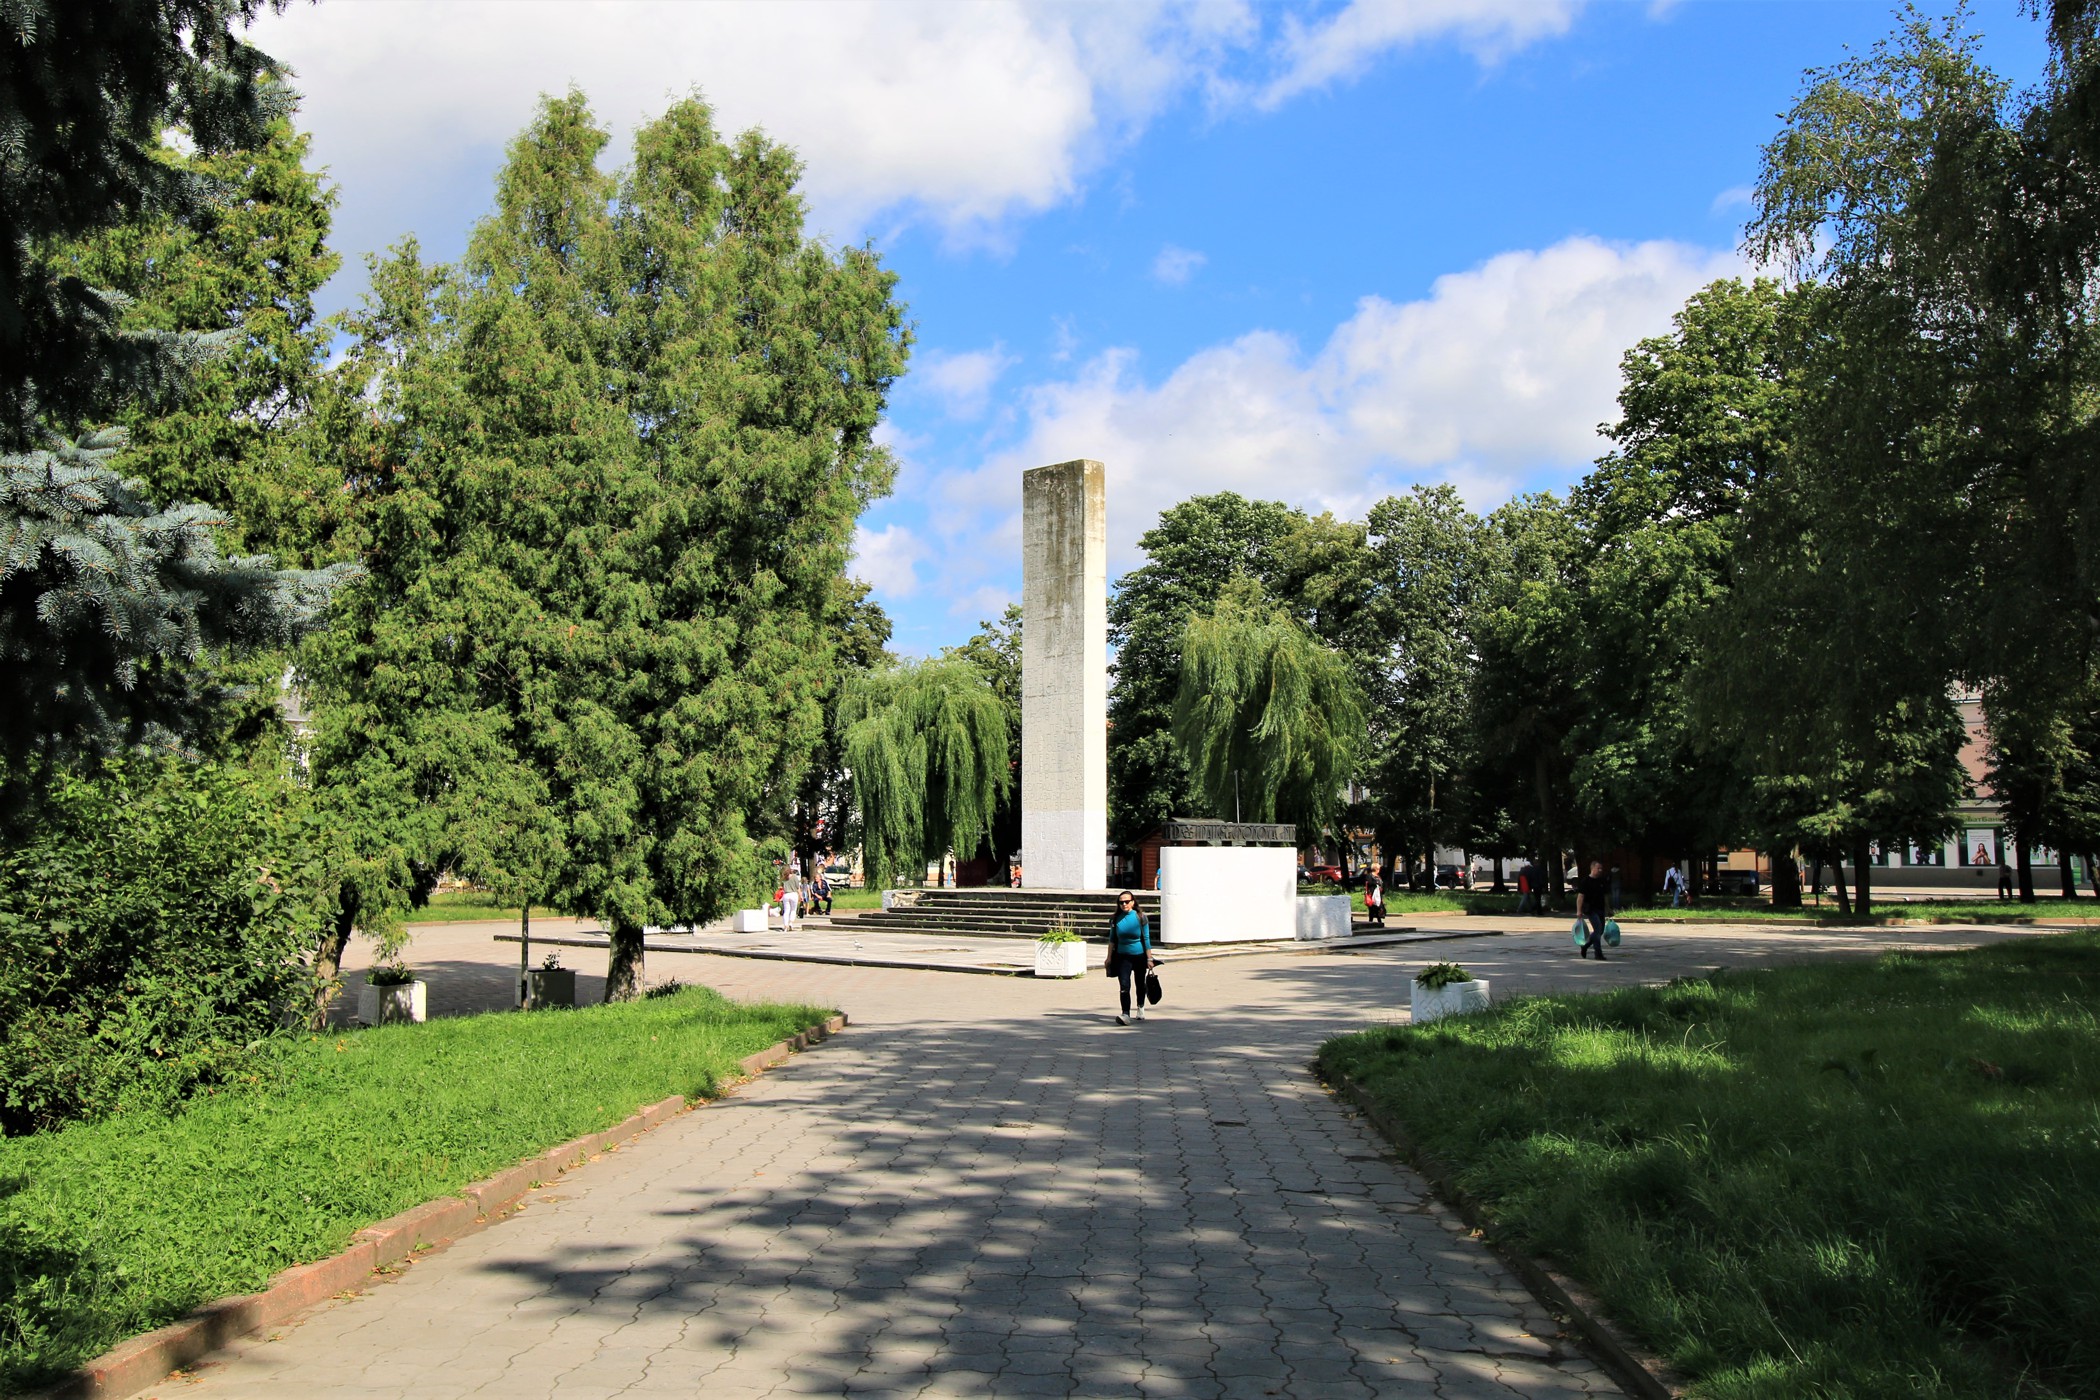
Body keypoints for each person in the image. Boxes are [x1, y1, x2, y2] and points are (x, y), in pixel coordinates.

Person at [1106, 889, 1155, 1025]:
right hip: (1122, 957)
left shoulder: (1140, 917)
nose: (1124, 904)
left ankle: (1140, 1007)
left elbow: (1146, 938)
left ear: (1133, 902)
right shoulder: (1115, 918)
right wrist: (1109, 958)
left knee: (1140, 983)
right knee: (1124, 985)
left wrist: (1149, 958)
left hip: (1139, 956)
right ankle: (1125, 1013)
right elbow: (1112, 939)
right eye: (1121, 902)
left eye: (1127, 902)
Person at [1574, 858, 1611, 961]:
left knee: (1600, 931)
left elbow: (1605, 896)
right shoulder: (1586, 881)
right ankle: (1598, 954)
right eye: (1598, 868)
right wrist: (1579, 911)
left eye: (1601, 868)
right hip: (1590, 909)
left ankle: (1585, 946)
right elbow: (1580, 897)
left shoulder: (1602, 881)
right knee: (1598, 929)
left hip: (1600, 908)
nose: (1600, 870)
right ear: (1592, 868)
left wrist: (1608, 908)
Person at [781, 865, 803, 930]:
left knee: (786, 911)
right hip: (793, 894)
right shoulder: (794, 877)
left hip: (786, 895)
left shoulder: (783, 878)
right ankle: (790, 923)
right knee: (793, 910)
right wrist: (801, 896)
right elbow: (798, 887)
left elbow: (782, 887)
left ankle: (785, 925)